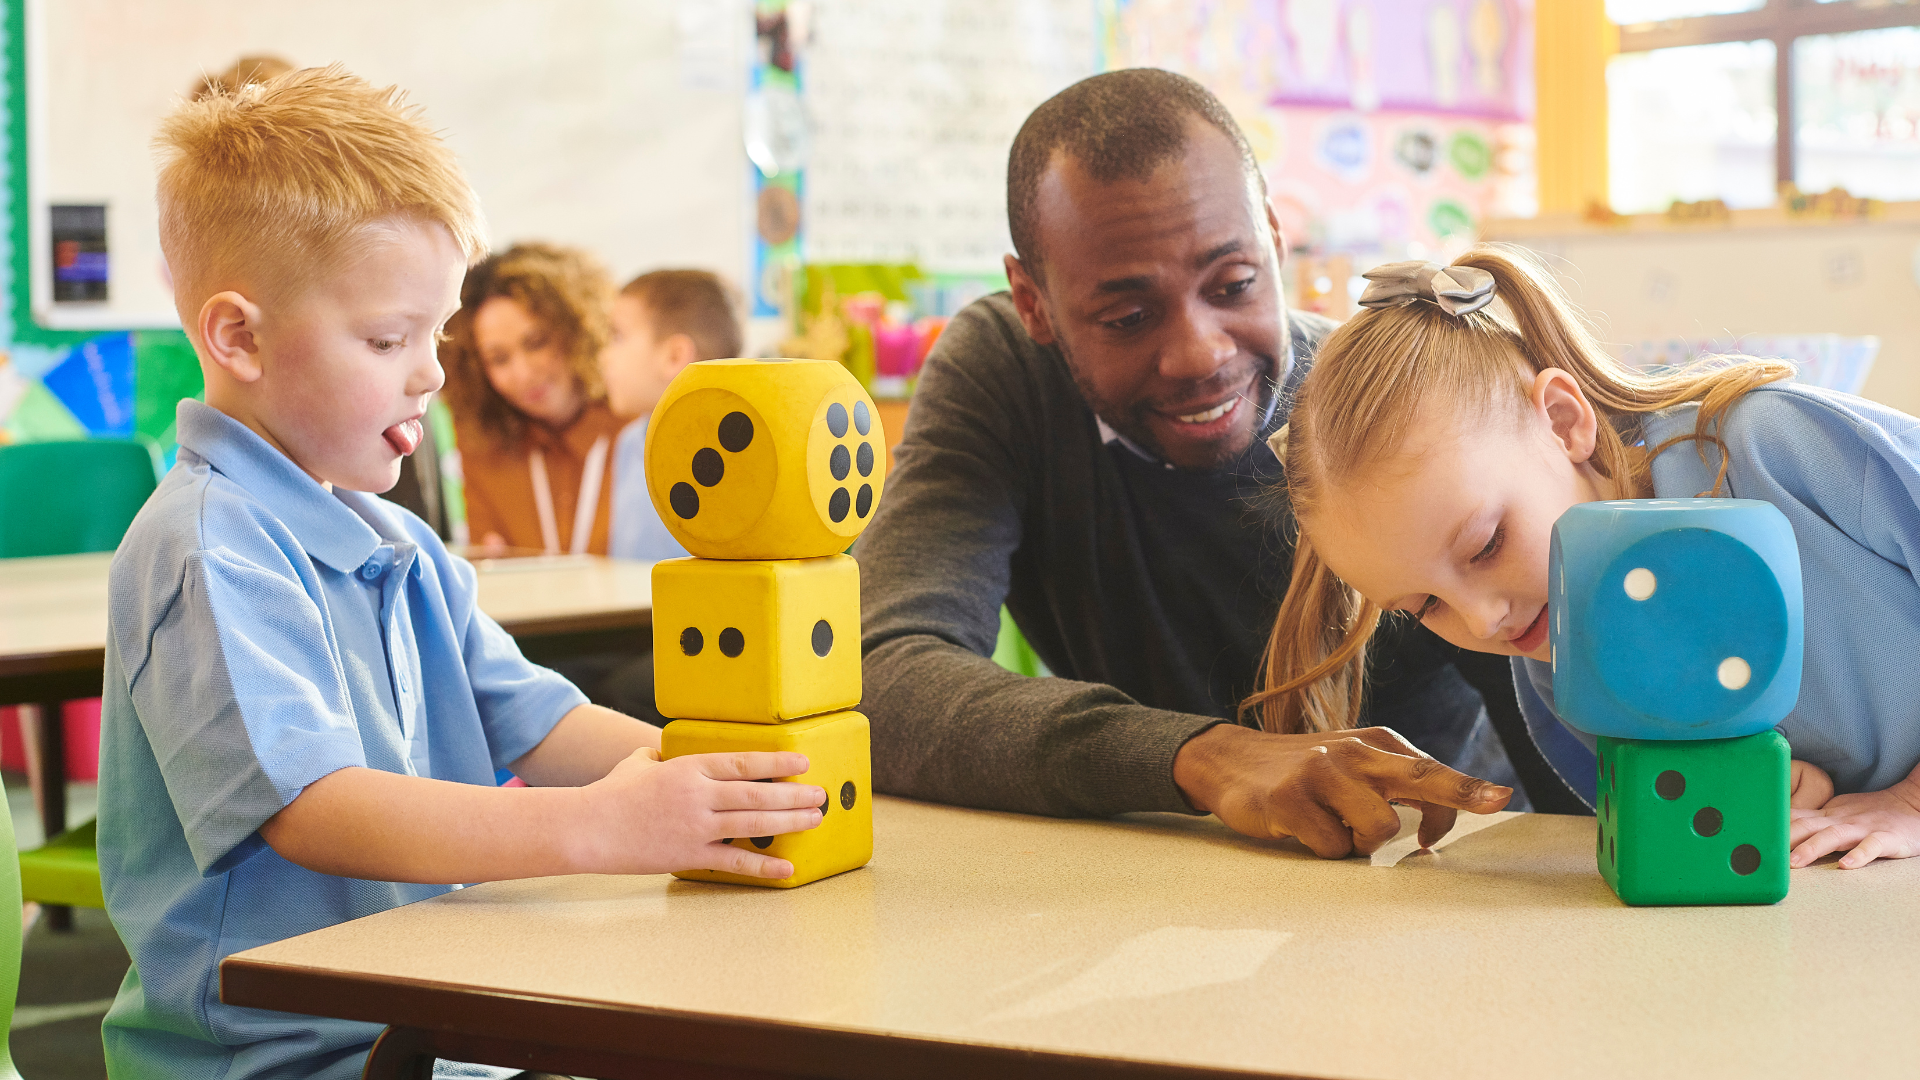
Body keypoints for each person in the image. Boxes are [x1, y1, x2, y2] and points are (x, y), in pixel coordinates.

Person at [100, 65, 827, 1079]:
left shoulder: (401, 545)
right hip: (286, 1058)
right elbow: (316, 807)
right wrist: (596, 827)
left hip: (435, 1021)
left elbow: (535, 719)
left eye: (434, 333)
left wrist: (727, 777)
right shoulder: (206, 544)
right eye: (388, 338)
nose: (434, 372)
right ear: (238, 337)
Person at [855, 68, 1536, 863]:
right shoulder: (1004, 376)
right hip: (1166, 874)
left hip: (1438, 869)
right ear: (1033, 303)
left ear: (1275, 241)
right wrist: (1206, 758)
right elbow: (879, 670)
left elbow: (1566, 724)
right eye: (1128, 316)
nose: (1198, 353)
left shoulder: (1390, 404)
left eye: (1235, 284)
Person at [1251, 245, 1920, 870]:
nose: (1484, 624)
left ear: (1566, 421)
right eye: (1424, 606)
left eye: (1486, 545)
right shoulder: (1561, 672)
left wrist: (1910, 802)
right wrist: (1772, 785)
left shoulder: (1771, 448)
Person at [441, 242, 624, 555]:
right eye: (499, 359)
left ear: (577, 329)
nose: (524, 374)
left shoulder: (637, 427)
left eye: (536, 343)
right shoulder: (483, 445)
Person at [601, 269, 745, 562]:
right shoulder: (630, 443)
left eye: (618, 337)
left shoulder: (734, 447)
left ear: (674, 357)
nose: (604, 355)